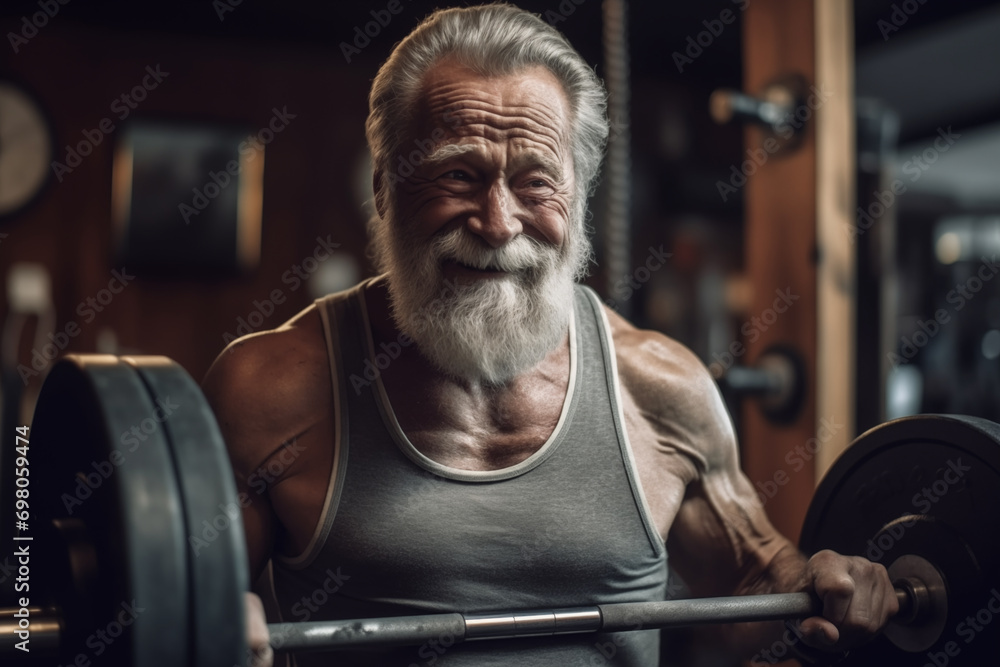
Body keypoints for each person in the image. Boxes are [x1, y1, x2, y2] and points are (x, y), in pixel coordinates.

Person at [203, 4, 897, 666]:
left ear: (579, 197)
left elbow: (757, 587)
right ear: (384, 188)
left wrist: (830, 585)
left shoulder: (659, 387)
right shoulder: (272, 389)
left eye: (536, 183)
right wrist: (208, 619)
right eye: (459, 174)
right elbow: (177, 594)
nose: (499, 222)